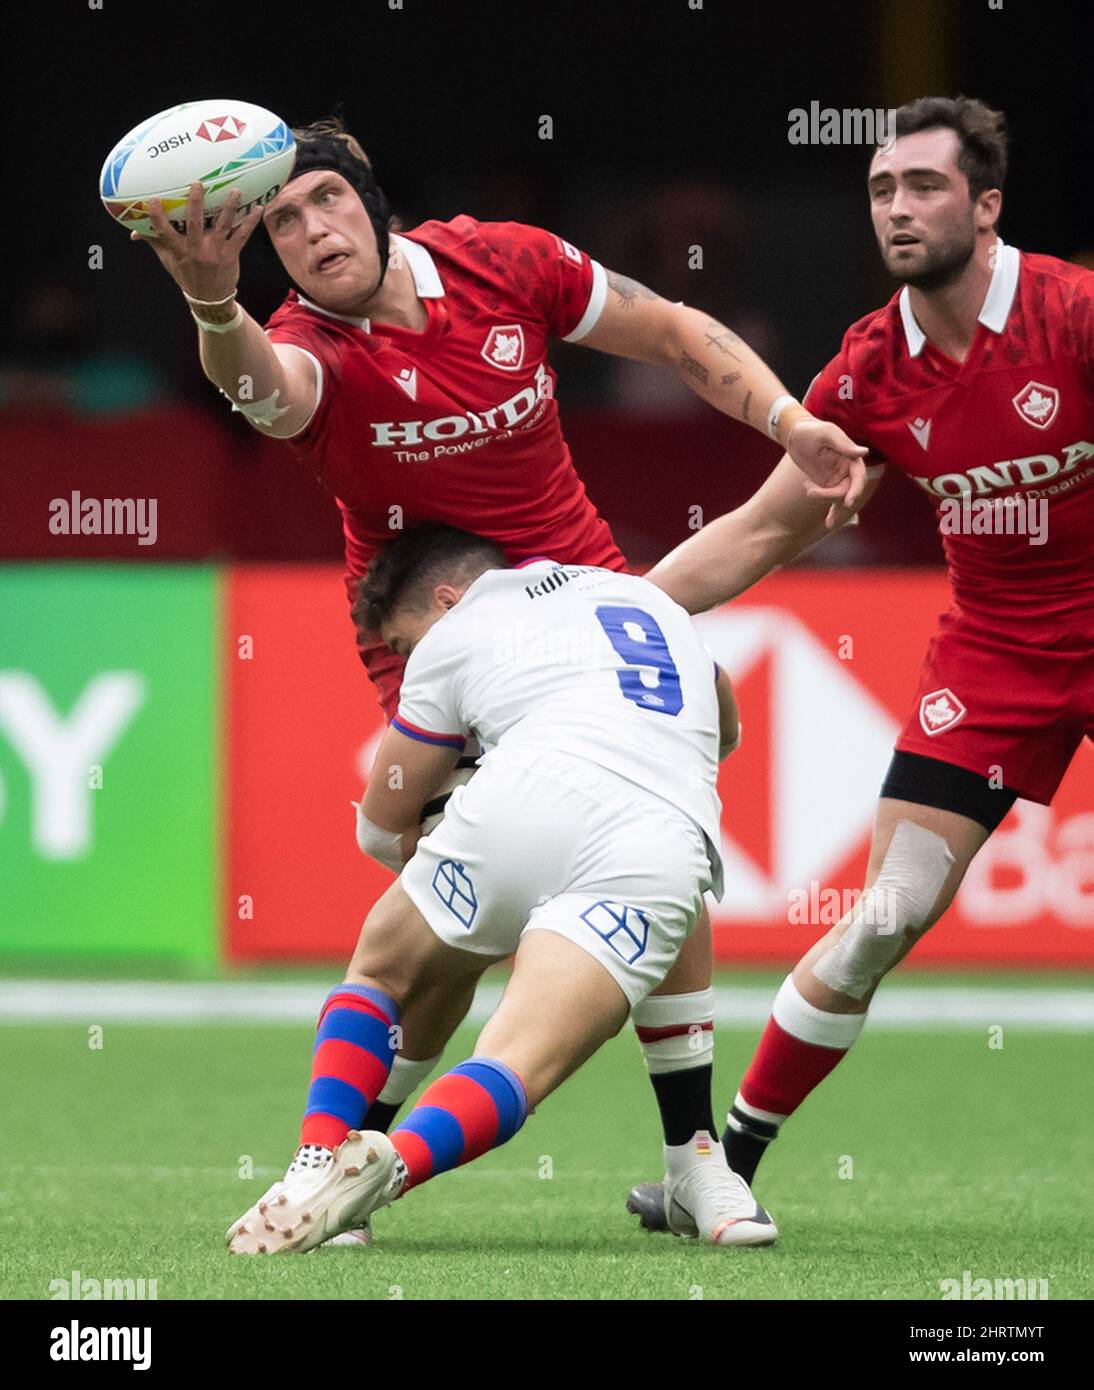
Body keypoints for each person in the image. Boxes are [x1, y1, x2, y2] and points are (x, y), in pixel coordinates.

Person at [129, 114, 865, 1239]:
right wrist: (209, 302)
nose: (312, 231)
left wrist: (785, 417)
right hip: (433, 629)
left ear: (372, 197)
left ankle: (693, 1157)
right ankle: (331, 1159)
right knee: (441, 932)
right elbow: (257, 386)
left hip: (587, 591)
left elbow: (669, 332)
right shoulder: (302, 347)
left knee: (664, 811)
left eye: (325, 199)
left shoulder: (501, 260)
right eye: (282, 221)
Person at [625, 95, 1094, 1233]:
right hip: (992, 654)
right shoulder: (871, 370)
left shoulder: (1072, 315)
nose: (896, 207)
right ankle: (723, 1165)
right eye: (881, 188)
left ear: (984, 209)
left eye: (923, 187)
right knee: (883, 912)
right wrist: (615, 609)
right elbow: (759, 530)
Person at [227, 525, 776, 1253]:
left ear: (447, 600)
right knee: (516, 1063)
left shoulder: (462, 630)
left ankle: (316, 1159)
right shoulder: (646, 599)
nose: (403, 663)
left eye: (403, 645)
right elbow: (725, 719)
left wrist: (442, 855)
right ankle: (394, 1167)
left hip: (524, 797)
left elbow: (382, 816)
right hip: (663, 840)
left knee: (383, 966)